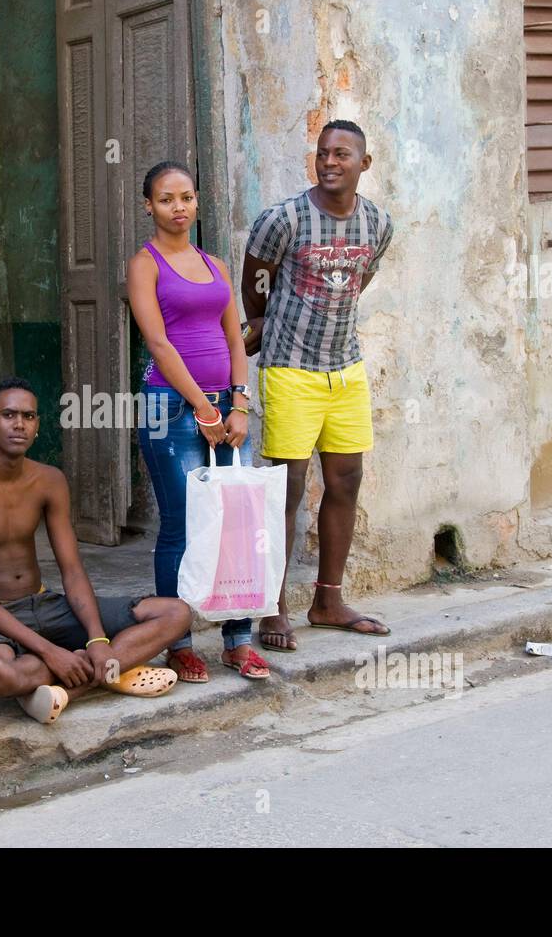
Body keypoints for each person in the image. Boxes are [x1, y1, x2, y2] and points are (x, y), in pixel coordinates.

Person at [0, 377, 192, 724]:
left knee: (176, 613)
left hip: (45, 605)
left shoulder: (49, 480)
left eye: (28, 417)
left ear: (38, 425)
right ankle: (111, 669)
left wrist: (97, 638)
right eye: (8, 415)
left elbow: (71, 569)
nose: (19, 425)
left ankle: (71, 687)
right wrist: (49, 651)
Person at [240, 119, 395, 651]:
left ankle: (328, 600)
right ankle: (272, 607)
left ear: (364, 165)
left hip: (346, 369)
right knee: (286, 491)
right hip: (289, 369)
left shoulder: (377, 222)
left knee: (345, 482)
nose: (330, 162)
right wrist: (267, 324)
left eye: (342, 155)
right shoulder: (282, 220)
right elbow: (255, 286)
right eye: (323, 153)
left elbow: (360, 280)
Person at [128, 161, 270, 683]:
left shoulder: (216, 265)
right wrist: (203, 409)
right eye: (166, 199)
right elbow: (159, 343)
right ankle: (179, 642)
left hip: (225, 407)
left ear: (196, 202)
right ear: (149, 206)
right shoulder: (144, 264)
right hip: (169, 407)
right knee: (182, 527)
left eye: (186, 197)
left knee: (237, 522)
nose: (178, 207)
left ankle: (238, 640)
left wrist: (236, 403)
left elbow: (236, 338)